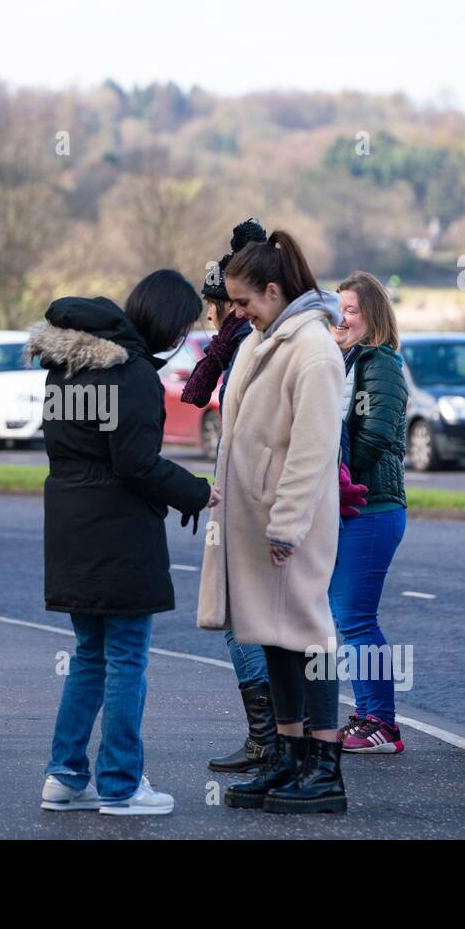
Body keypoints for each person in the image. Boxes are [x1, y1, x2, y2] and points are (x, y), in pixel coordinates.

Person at [28, 271, 216, 816]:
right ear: (166, 321)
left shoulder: (64, 367)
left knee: (90, 653)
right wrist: (197, 494)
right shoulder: (131, 373)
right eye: (182, 325)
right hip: (118, 531)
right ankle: (120, 784)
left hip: (68, 525)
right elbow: (135, 463)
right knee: (127, 655)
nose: (183, 334)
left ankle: (64, 775)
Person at [197, 229, 349, 814]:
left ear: (273, 289)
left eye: (243, 302)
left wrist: (284, 524)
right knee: (275, 637)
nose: (236, 313)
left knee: (309, 636)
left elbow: (312, 450)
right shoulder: (270, 338)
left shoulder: (312, 348)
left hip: (288, 524)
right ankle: (289, 755)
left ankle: (324, 766)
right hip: (258, 519)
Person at [181, 220, 277, 773]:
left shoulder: (247, 340)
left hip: (251, 496)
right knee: (258, 618)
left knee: (244, 618)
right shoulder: (241, 338)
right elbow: (197, 393)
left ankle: (270, 740)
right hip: (247, 490)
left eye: (220, 303)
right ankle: (284, 738)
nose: (218, 314)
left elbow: (198, 395)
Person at [329, 271, 409, 754]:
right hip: (355, 506)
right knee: (348, 616)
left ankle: (383, 724)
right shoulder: (348, 361)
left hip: (372, 507)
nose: (342, 318)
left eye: (352, 310)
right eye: (338, 309)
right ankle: (366, 715)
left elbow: (376, 434)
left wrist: (338, 476)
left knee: (357, 618)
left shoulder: (379, 363)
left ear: (373, 315)